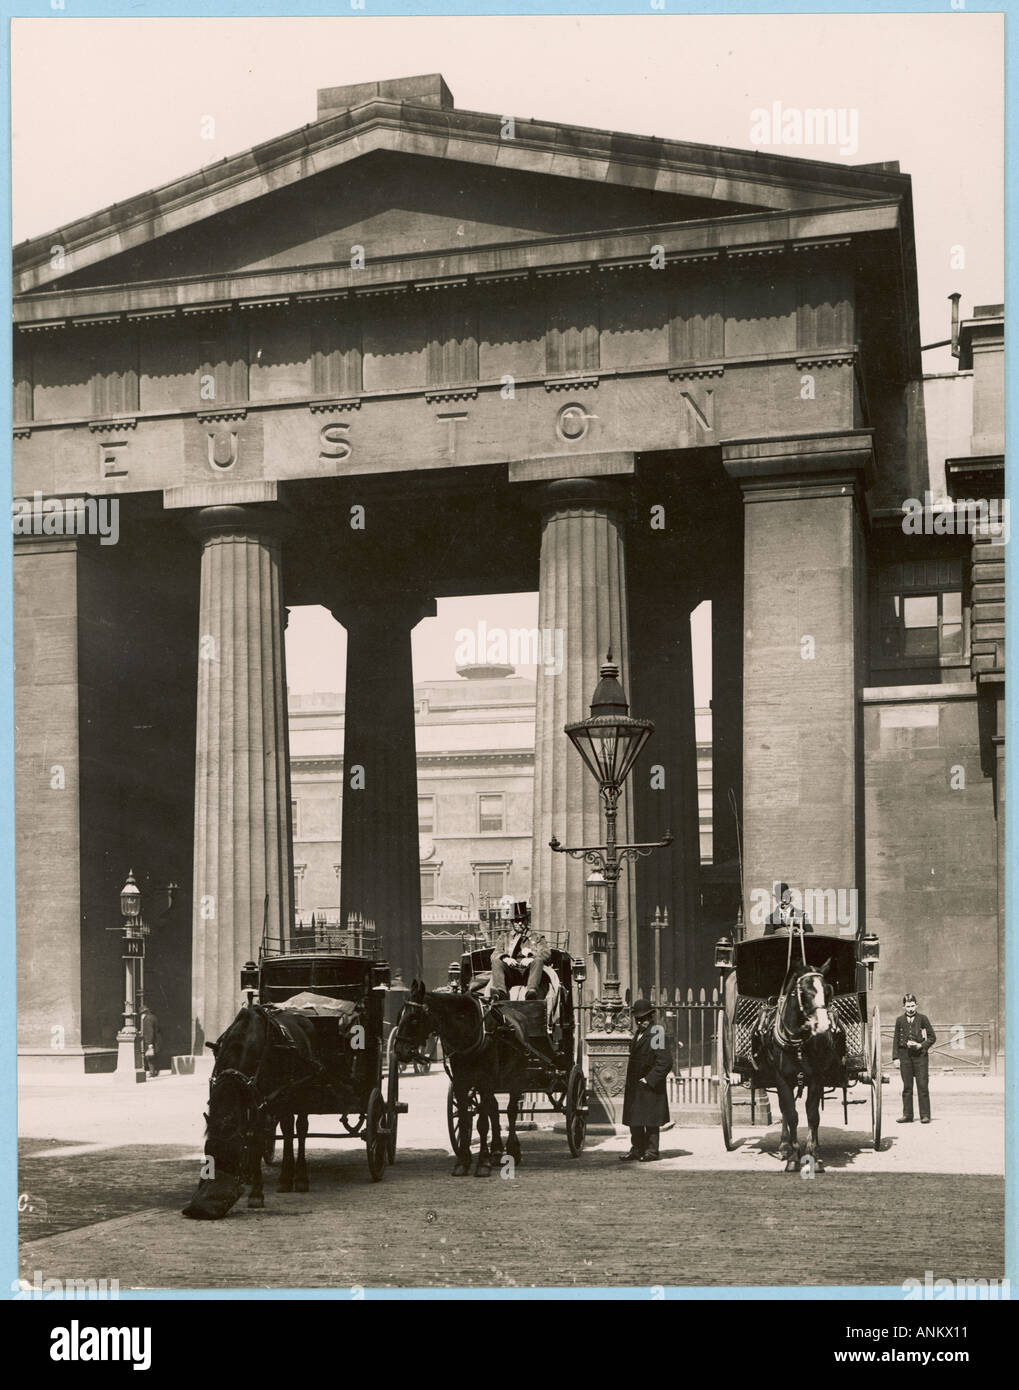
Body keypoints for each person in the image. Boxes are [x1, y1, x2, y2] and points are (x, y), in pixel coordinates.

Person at [620, 1000, 673, 1162]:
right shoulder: (638, 1034)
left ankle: (651, 1151)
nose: (640, 1022)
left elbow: (665, 1062)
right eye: (637, 1019)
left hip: (649, 1085)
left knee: (651, 1120)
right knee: (634, 1120)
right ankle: (637, 1149)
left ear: (651, 1016)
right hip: (636, 1084)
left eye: (643, 1018)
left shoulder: (656, 1032)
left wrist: (649, 1080)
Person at [892, 994, 935, 1123]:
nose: (910, 1009)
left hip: (920, 1057)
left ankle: (925, 1115)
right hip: (905, 1056)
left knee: (922, 1085)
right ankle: (907, 1115)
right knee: (907, 1087)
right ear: (903, 1006)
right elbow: (895, 1039)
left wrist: (921, 1045)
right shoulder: (899, 1020)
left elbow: (932, 1037)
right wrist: (895, 1058)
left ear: (916, 1005)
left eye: (912, 1006)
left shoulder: (923, 1019)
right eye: (907, 1006)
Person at [488, 922, 551, 1001]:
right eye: (517, 920)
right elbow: (495, 954)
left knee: (538, 960)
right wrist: (505, 958)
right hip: (511, 973)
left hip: (530, 973)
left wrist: (531, 958)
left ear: (527, 920)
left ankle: (531, 992)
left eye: (523, 920)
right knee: (496, 961)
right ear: (512, 921)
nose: (520, 923)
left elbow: (546, 953)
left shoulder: (537, 937)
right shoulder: (504, 937)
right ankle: (501, 992)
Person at [140, 1004, 161, 1078]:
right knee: (154, 1056)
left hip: (151, 1041)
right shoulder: (153, 1017)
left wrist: (149, 1043)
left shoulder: (147, 1019)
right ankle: (156, 1071)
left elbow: (149, 1032)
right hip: (157, 1040)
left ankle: (152, 1072)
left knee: (150, 1057)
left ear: (143, 1013)